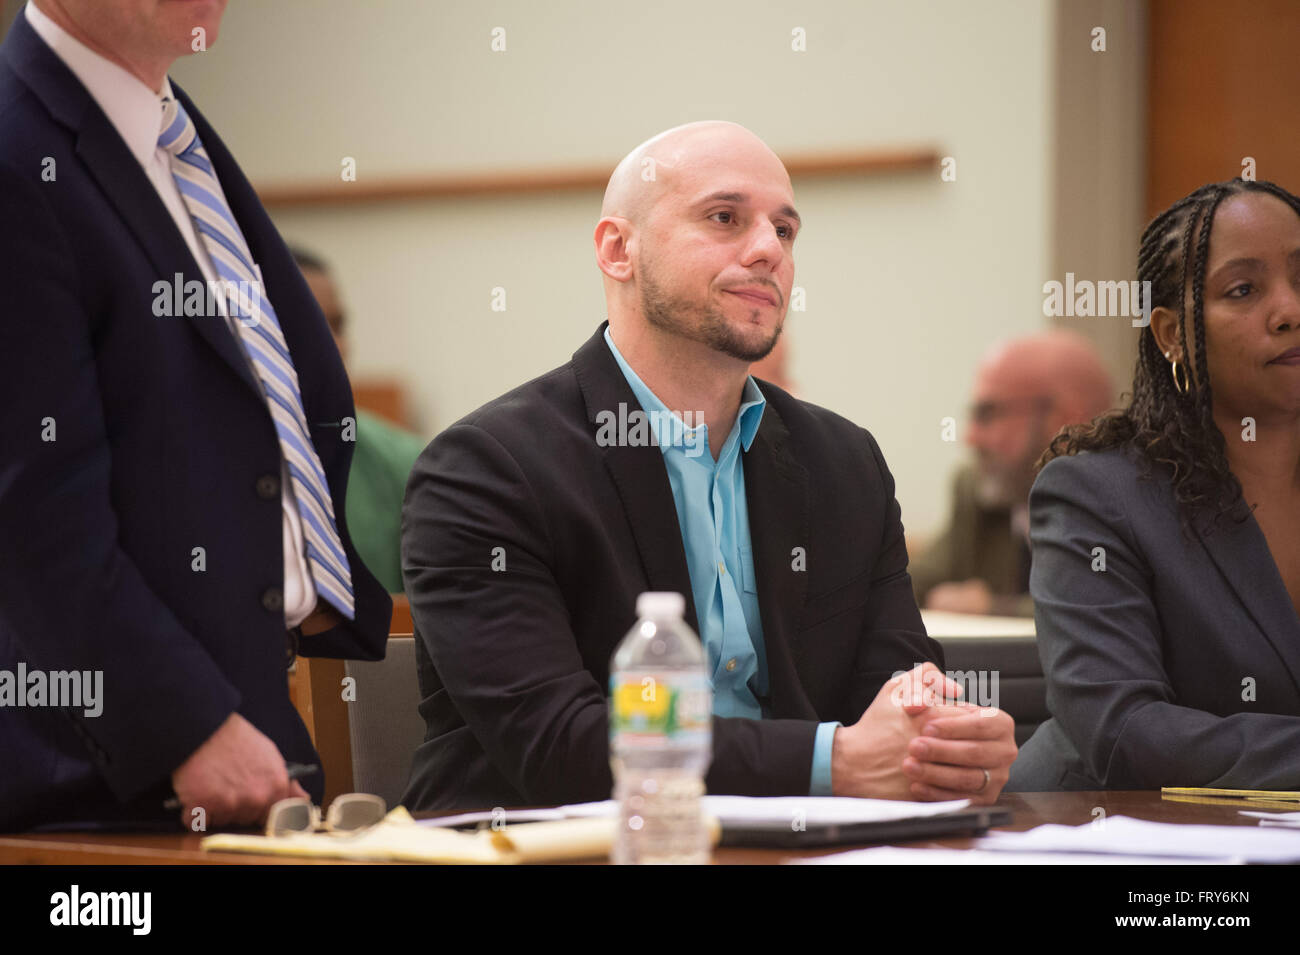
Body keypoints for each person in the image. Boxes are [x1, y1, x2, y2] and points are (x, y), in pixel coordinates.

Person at [400, 121, 1017, 812]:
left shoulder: (845, 463)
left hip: (812, 846)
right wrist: (832, 761)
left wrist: (943, 746)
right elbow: (561, 747)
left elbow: (897, 684)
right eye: (725, 218)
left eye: (785, 231)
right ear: (618, 250)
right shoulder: (487, 470)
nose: (767, 251)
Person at [0, 1, 390, 830]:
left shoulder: (169, 127)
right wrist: (185, 724)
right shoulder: (15, 150)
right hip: (99, 777)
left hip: (251, 731)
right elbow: (29, 504)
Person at [1009, 178, 1300, 791]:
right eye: (1244, 290)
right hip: (1107, 841)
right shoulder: (1095, 495)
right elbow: (1125, 732)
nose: (1289, 310)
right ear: (1173, 335)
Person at [911, 332, 1112, 617]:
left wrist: (994, 607)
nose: (970, 438)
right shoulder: (978, 492)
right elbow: (908, 585)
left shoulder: (1122, 504)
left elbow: (1099, 608)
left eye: (989, 413)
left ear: (1067, 419)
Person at [292, 247, 427, 595]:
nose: (335, 345)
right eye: (309, 325)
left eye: (338, 326)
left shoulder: (406, 461)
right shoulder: (195, 458)